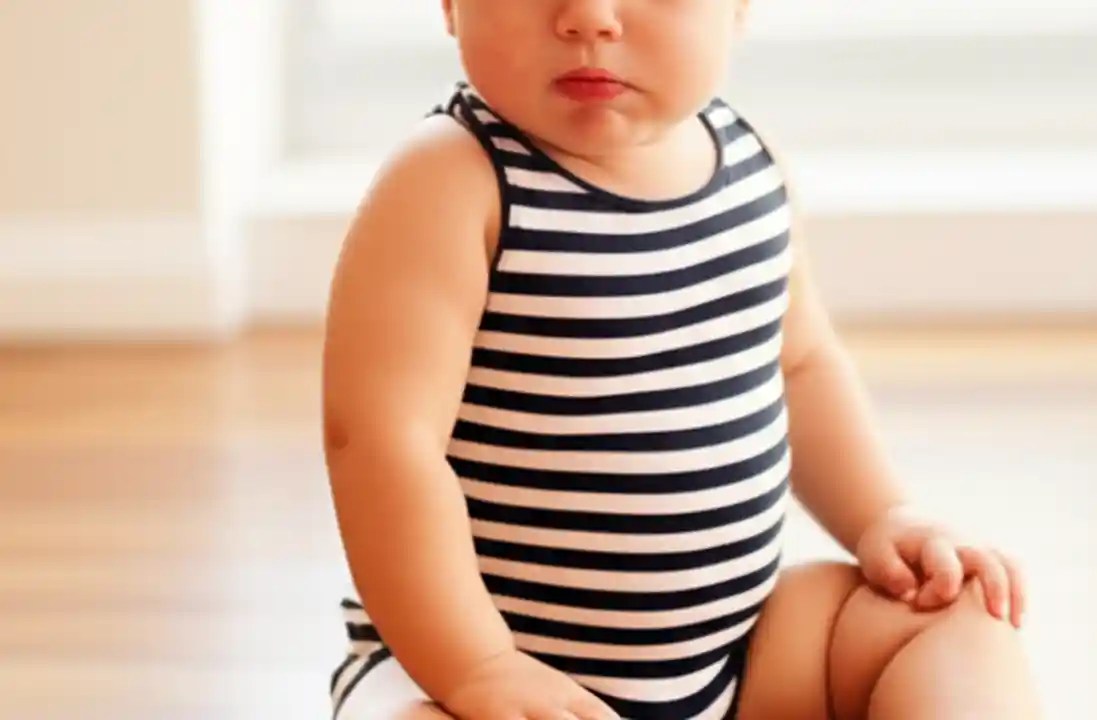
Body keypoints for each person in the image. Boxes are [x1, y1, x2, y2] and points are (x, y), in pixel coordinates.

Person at [322, 1, 1041, 718]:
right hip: (466, 666)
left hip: (737, 661)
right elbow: (385, 444)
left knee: (953, 617)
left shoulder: (750, 162)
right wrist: (477, 667)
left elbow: (802, 366)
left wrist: (884, 514)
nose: (590, 19)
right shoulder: (451, 181)